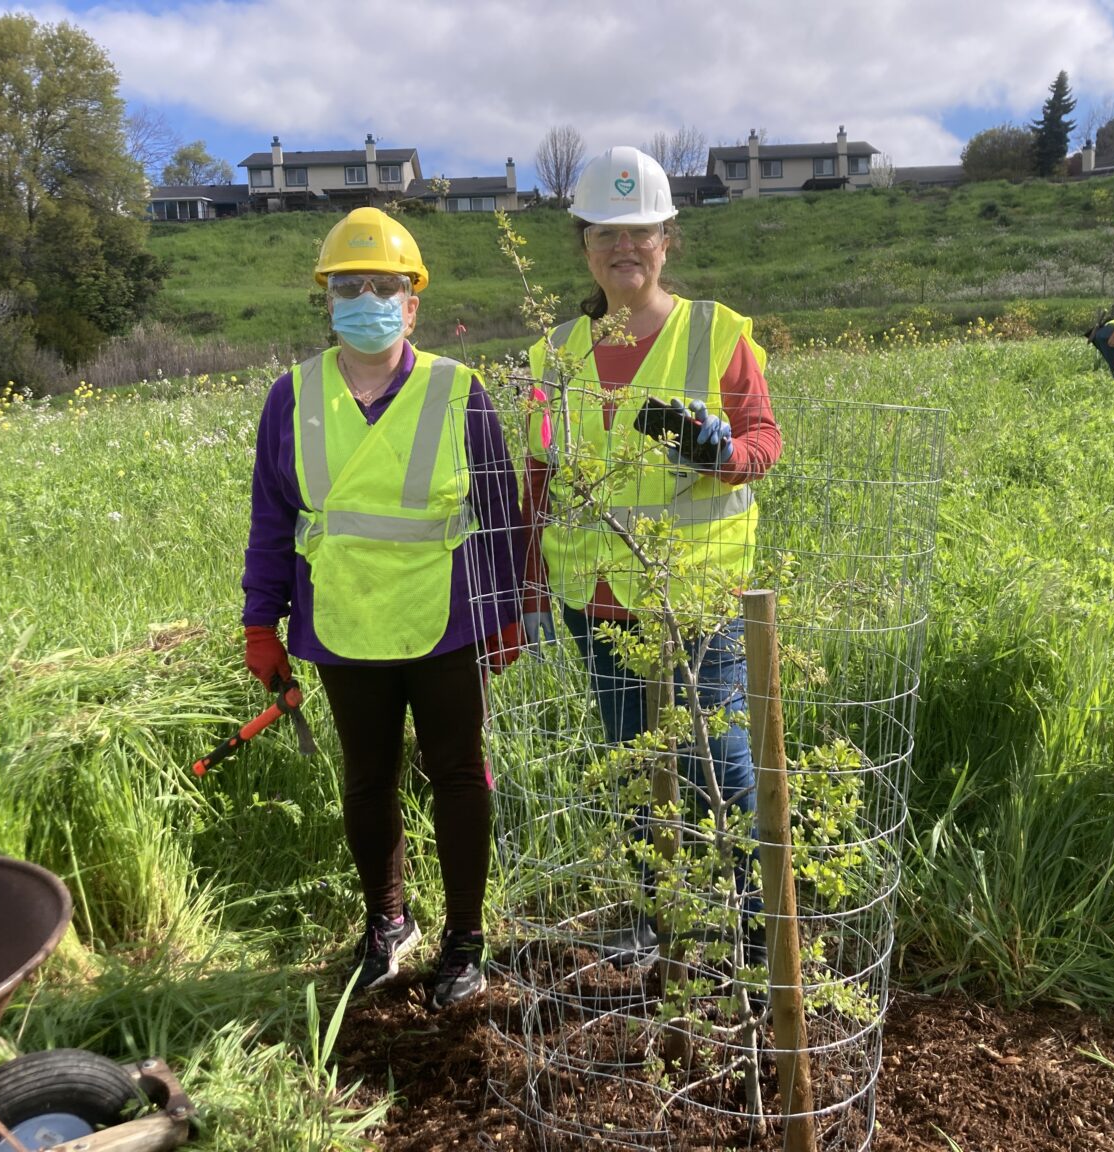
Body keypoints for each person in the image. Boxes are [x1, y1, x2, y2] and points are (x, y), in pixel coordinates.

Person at [241, 207, 523, 1008]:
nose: (368, 298)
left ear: (414, 302)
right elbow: (272, 519)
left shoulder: (456, 389)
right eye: (349, 286)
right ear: (325, 300)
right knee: (369, 782)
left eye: (385, 287)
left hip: (446, 620)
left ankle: (465, 941)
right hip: (342, 621)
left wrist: (505, 611)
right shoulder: (290, 397)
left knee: (461, 776)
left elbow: (502, 513)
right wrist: (261, 621)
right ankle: (388, 923)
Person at [520, 146, 782, 964]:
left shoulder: (715, 331)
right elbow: (539, 472)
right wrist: (529, 584)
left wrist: (722, 455)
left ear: (668, 238)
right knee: (630, 758)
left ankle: (751, 917)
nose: (623, 248)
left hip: (696, 593)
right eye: (605, 233)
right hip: (594, 595)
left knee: (721, 757)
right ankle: (650, 907)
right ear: (584, 246)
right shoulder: (553, 354)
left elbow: (766, 439)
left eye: (640, 231)